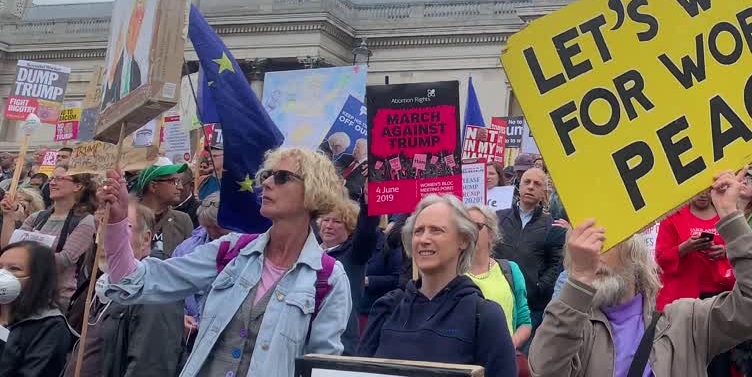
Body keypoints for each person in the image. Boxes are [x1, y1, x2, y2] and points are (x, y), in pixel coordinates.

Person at [97, 147, 352, 377]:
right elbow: (133, 282)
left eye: (282, 177)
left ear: (314, 190)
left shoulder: (328, 278)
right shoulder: (231, 250)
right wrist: (118, 221)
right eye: (267, 176)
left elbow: (322, 369)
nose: (267, 184)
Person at [531, 170, 752, 377]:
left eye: (604, 242)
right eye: (581, 246)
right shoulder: (574, 326)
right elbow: (545, 369)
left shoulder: (685, 321)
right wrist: (579, 279)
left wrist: (731, 217)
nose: (592, 254)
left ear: (634, 255)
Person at [358, 194, 514, 375]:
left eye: (436, 230)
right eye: (418, 231)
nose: (424, 239)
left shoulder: (485, 316)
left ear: (463, 240)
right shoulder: (387, 307)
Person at [71, 200, 185, 377]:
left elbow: (150, 368)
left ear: (146, 239)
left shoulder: (154, 292)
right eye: (101, 228)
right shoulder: (106, 282)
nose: (104, 238)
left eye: (119, 229)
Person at [1, 166, 97, 312]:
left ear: (78, 186)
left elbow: (64, 259)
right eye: (52, 178)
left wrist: (21, 261)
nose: (52, 183)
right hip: (23, 294)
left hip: (55, 301)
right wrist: (8, 216)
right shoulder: (37, 217)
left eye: (59, 178)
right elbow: (9, 248)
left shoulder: (85, 221)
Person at [496, 166, 564, 332]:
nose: (531, 186)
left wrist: (540, 287)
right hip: (497, 299)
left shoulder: (551, 225)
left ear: (543, 192)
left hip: (530, 305)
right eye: (527, 182)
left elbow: (555, 263)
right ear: (519, 186)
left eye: (537, 184)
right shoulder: (498, 218)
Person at [0, 241, 76, 377]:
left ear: (38, 277)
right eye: (0, 267)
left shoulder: (50, 326)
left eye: (14, 269)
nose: (3, 274)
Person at [316, 196, 378, 354]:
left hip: (339, 341)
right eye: (325, 220)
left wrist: (368, 200)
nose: (329, 226)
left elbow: (366, 231)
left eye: (337, 222)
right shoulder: (307, 252)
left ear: (350, 227)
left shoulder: (355, 254)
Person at [466, 205, 533, 351]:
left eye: (477, 226)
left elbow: (524, 322)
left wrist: (510, 344)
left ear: (491, 234)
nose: (469, 231)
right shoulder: (450, 274)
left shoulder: (510, 270)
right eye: (465, 226)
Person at [171, 194, 227, 338]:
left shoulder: (246, 247)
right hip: (189, 333)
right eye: (207, 227)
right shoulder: (186, 249)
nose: (213, 233)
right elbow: (172, 288)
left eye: (217, 227)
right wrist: (179, 316)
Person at [133, 163, 193, 258]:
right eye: (174, 181)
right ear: (153, 186)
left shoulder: (183, 220)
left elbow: (189, 260)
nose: (180, 187)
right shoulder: (129, 218)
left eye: (180, 181)